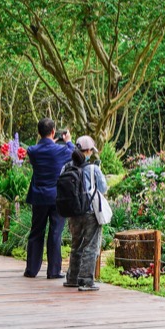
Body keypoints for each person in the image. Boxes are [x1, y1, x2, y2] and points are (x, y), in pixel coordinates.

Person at [22, 117, 72, 279]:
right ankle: (53, 271)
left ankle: (31, 270)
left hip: (38, 196)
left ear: (39, 132)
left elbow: (38, 149)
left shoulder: (33, 150)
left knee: (36, 232)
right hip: (57, 197)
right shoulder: (62, 150)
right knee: (55, 233)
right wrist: (68, 141)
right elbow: (74, 154)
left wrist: (52, 141)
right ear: (53, 132)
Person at [62, 136, 108, 290]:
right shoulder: (93, 168)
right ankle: (86, 281)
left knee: (76, 245)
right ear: (87, 151)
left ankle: (72, 278)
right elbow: (103, 188)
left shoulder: (67, 167)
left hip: (73, 212)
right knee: (90, 246)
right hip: (90, 212)